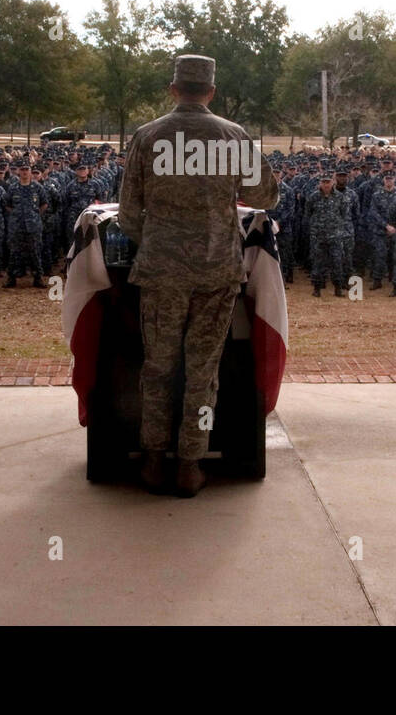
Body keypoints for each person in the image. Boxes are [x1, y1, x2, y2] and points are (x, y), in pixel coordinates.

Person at [118, 54, 278, 497]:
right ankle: (190, 465)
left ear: (174, 90)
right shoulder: (233, 136)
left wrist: (157, 243)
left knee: (158, 368)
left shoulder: (148, 136)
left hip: (160, 273)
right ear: (211, 92)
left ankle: (153, 460)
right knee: (203, 372)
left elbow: (128, 214)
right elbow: (266, 195)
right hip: (215, 270)